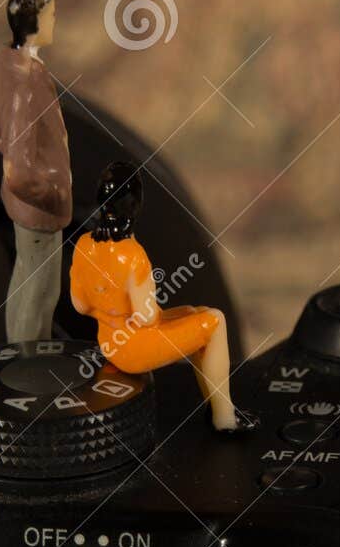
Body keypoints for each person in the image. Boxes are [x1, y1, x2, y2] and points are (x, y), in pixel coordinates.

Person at [70, 162, 249, 432]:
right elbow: (147, 316)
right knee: (214, 321)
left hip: (108, 341)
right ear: (134, 206)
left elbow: (79, 304)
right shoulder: (132, 255)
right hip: (133, 349)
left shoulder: (84, 245)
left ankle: (214, 402)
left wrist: (110, 311)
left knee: (193, 311)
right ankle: (225, 418)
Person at [0, 0, 71, 343]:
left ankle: (17, 347)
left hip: (23, 203)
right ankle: (29, 361)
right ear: (36, 22)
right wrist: (50, 189)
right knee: (42, 291)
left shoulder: (3, 61)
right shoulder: (25, 82)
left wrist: (13, 152)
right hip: (38, 204)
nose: (55, 20)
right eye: (51, 14)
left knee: (24, 275)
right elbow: (18, 173)